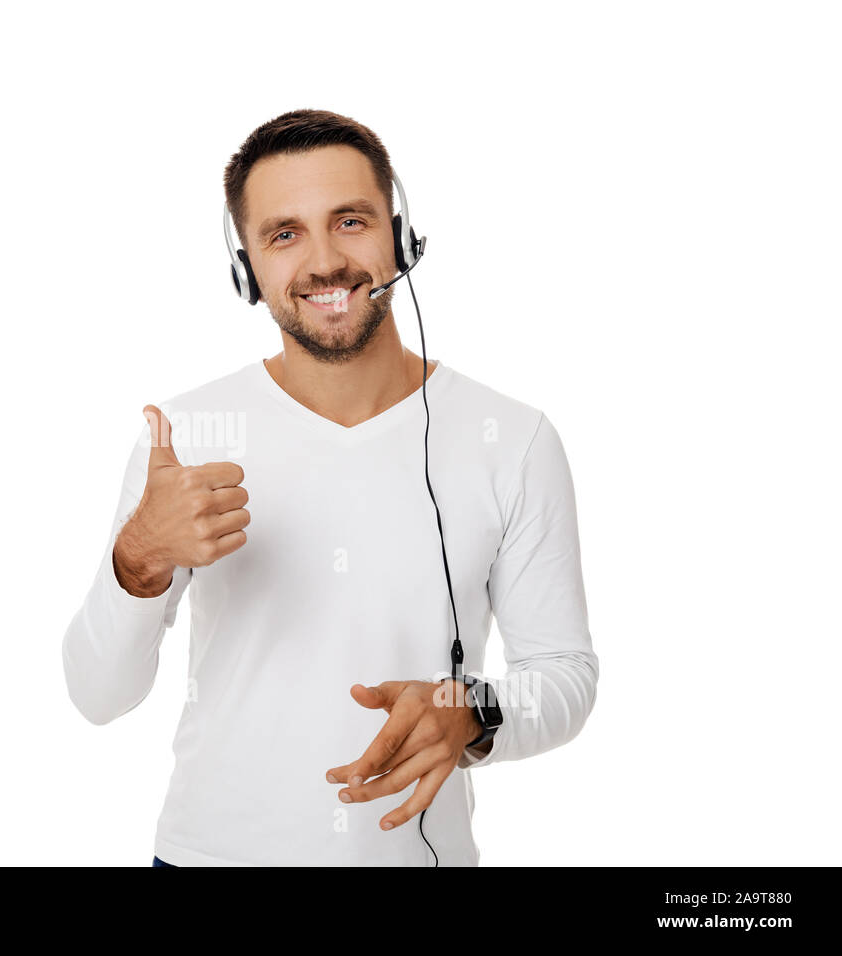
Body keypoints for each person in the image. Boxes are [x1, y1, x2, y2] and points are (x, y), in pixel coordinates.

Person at [62, 109, 599, 866]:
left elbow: (565, 675)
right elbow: (96, 695)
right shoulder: (189, 435)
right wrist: (138, 561)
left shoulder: (513, 438)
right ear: (246, 265)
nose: (324, 262)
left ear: (399, 234)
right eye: (285, 234)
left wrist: (474, 710)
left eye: (350, 221)